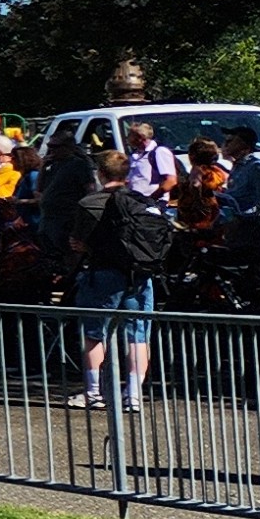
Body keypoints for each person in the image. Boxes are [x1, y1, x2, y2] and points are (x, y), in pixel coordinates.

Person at [72, 148, 165, 411]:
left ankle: (93, 393)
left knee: (94, 333)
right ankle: (133, 396)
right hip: (139, 274)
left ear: (100, 173)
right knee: (137, 335)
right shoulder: (143, 201)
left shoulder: (89, 203)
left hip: (102, 273)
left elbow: (78, 242)